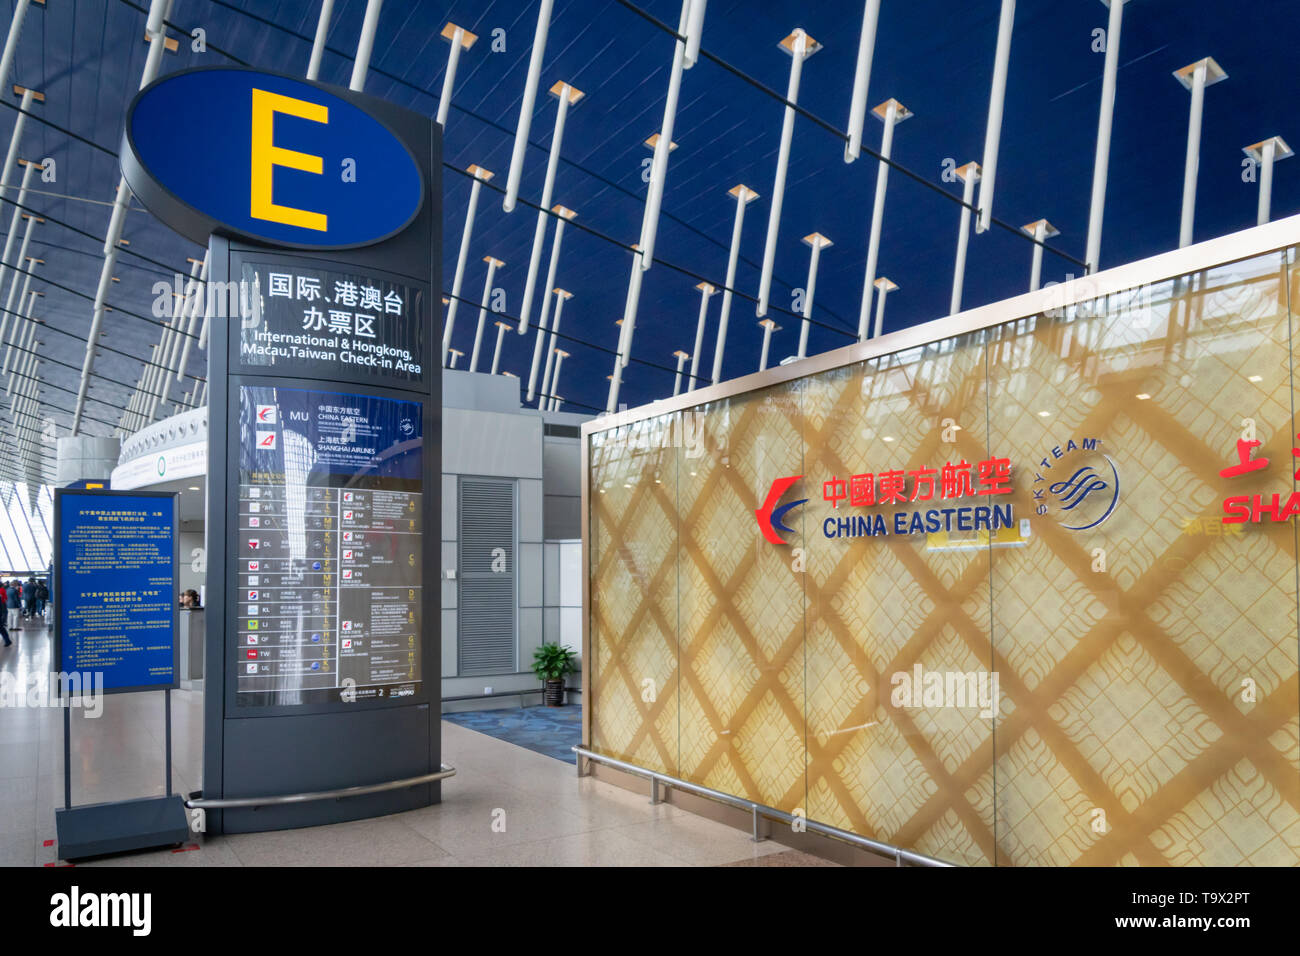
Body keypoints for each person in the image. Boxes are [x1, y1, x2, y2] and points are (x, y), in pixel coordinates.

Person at [0, 581, 9, 647]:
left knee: (1, 628)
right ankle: (7, 641)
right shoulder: (2, 590)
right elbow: (5, 598)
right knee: (1, 628)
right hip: (2, 607)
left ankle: (7, 641)